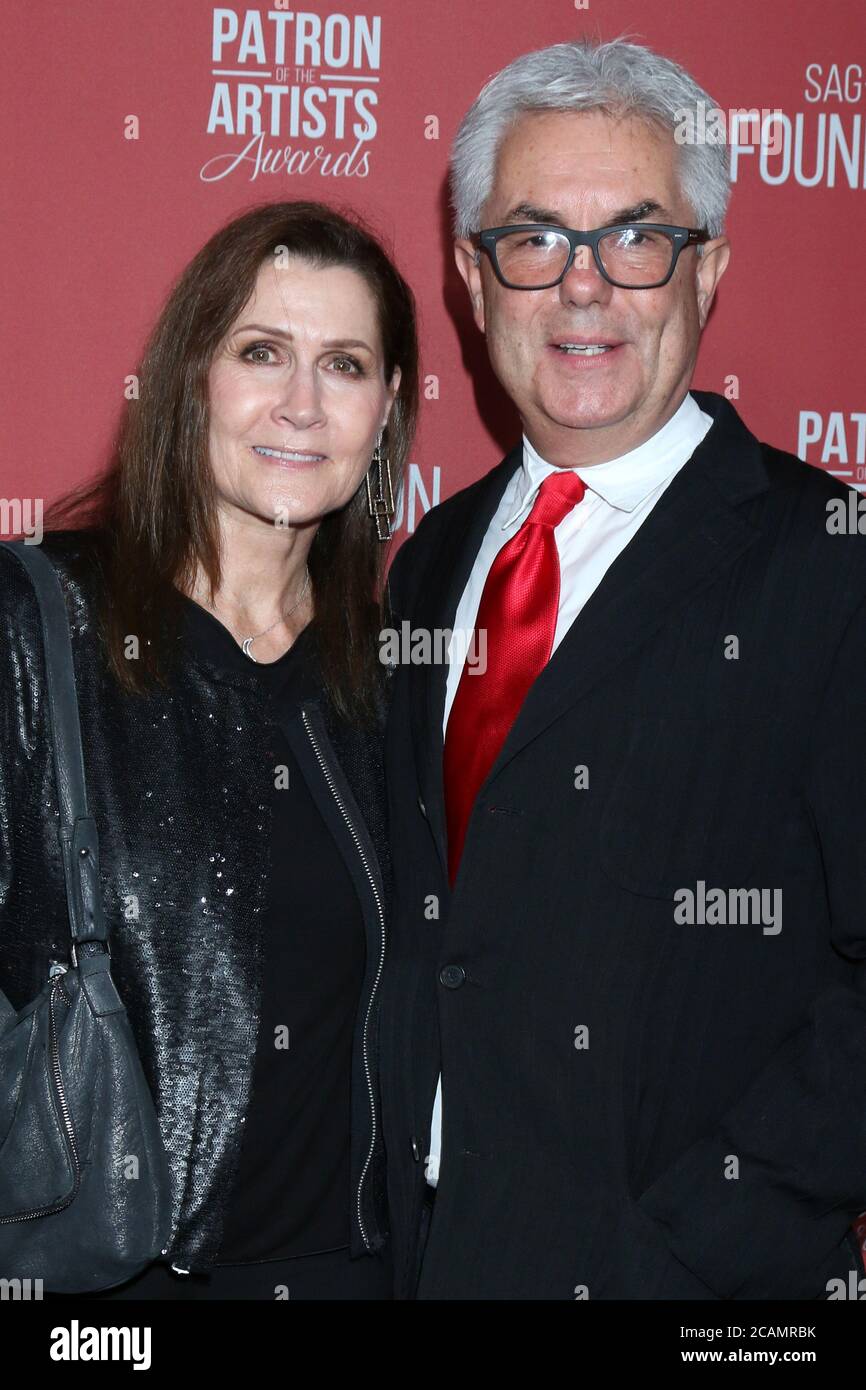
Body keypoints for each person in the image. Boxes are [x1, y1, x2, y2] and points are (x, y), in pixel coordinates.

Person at [380, 37, 866, 1300]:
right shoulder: (429, 561)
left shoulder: (831, 563)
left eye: (635, 237)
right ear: (469, 276)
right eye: (533, 238)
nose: (582, 290)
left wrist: (700, 1237)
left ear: (706, 269)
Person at [0, 199, 418, 1299]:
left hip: (352, 1274)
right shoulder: (38, 622)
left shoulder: (394, 674)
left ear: (385, 412)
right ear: (192, 378)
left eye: (343, 364)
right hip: (111, 1285)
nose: (300, 403)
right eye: (261, 351)